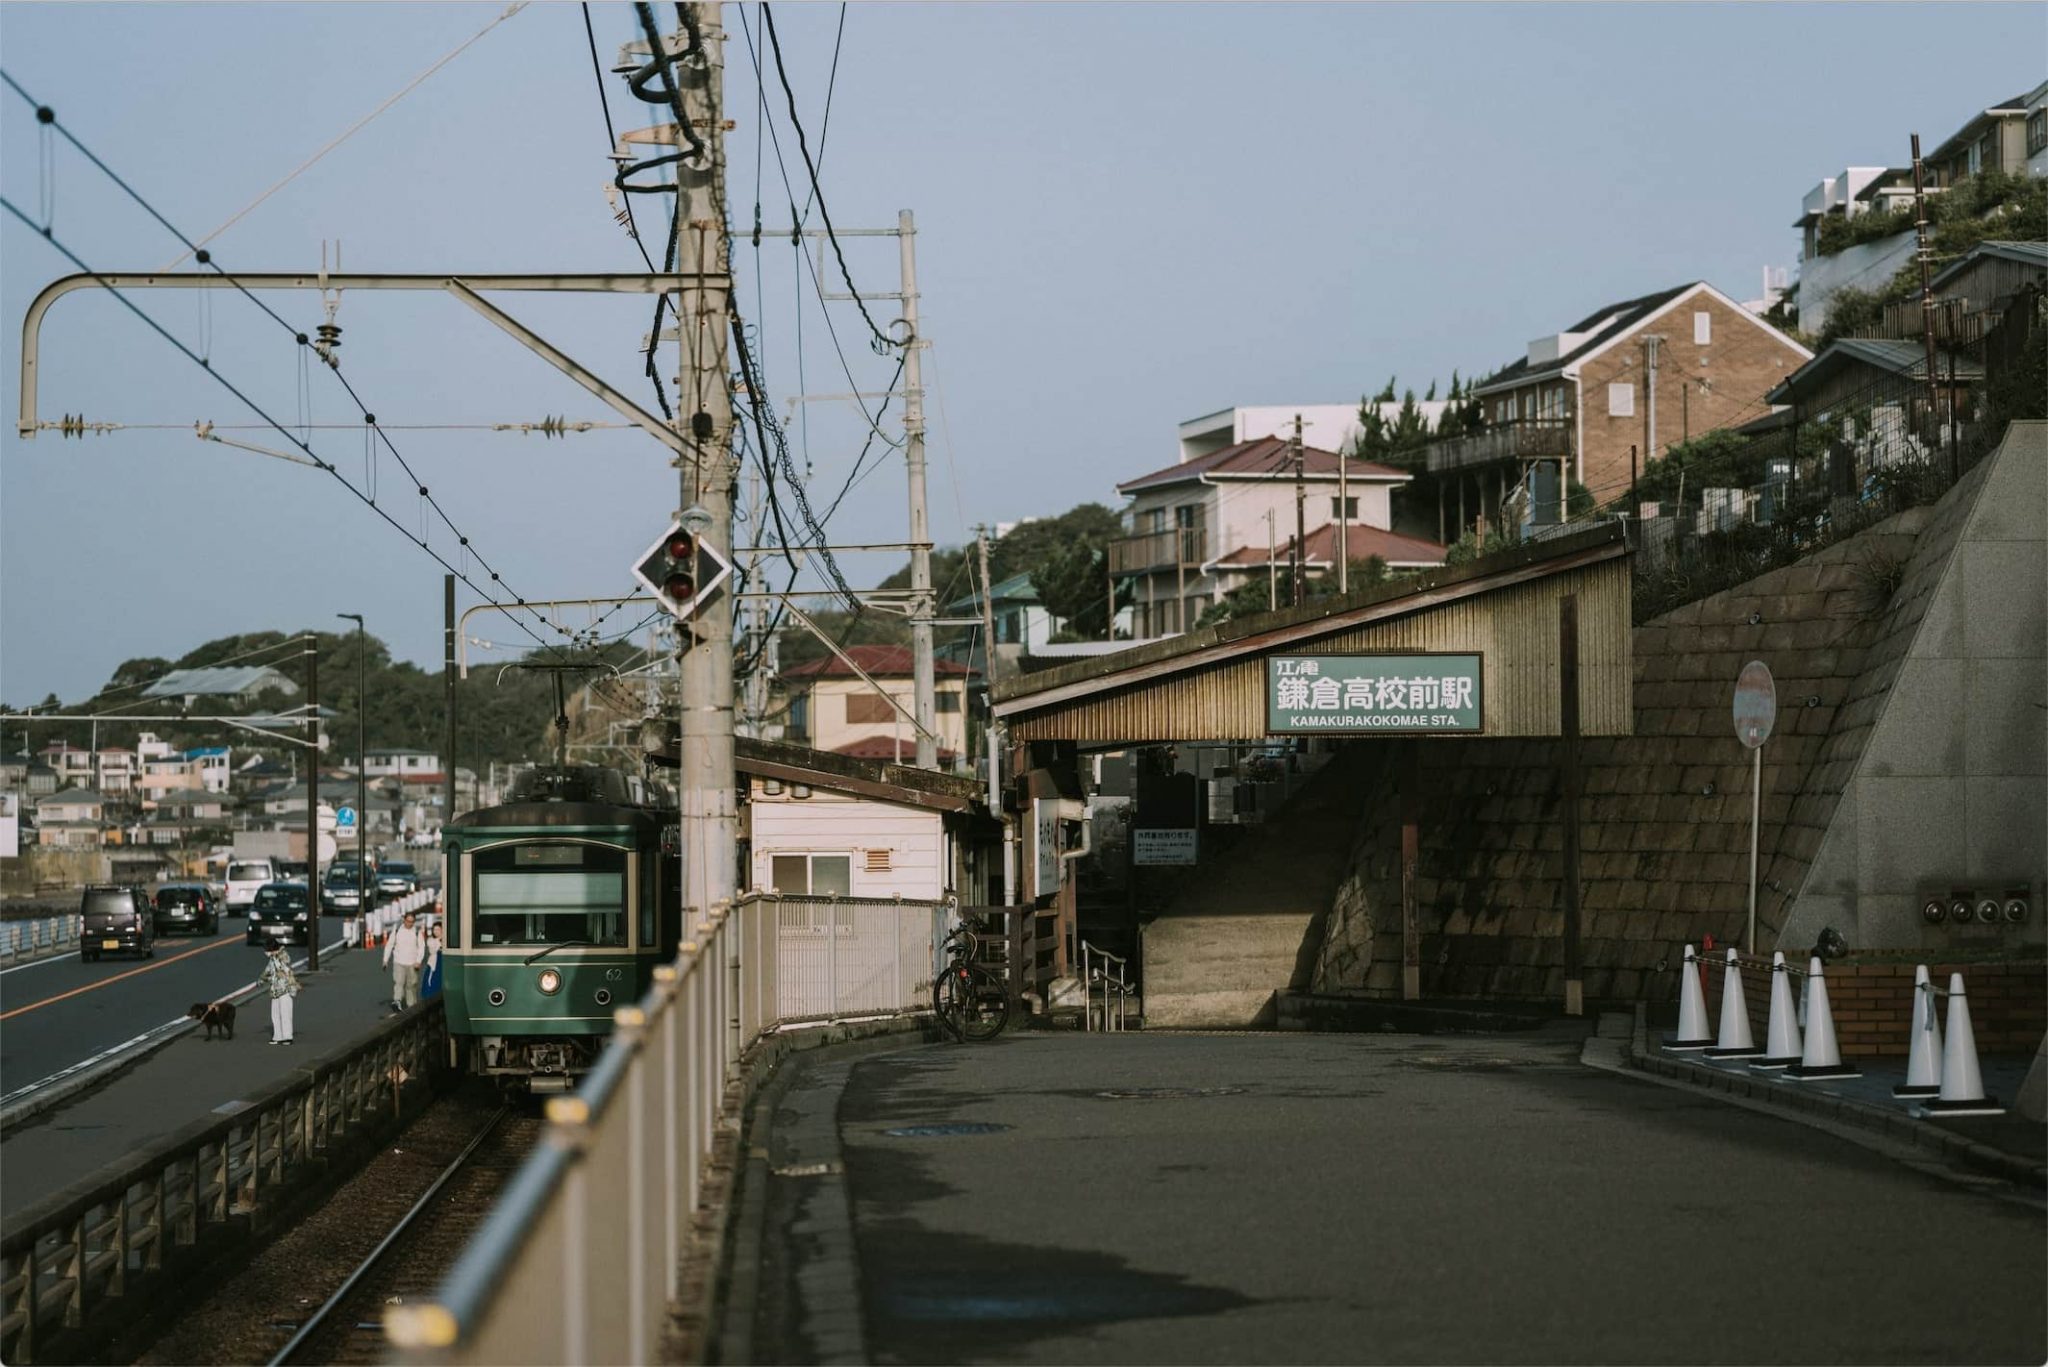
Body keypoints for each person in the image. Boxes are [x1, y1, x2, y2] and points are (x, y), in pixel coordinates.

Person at [383, 909, 427, 1013]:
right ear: (404, 920)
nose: (409, 924)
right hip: (399, 962)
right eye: (408, 921)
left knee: (411, 986)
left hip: (412, 963)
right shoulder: (397, 930)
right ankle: (397, 1001)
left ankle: (411, 1006)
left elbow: (422, 947)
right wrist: (385, 960)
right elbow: (389, 945)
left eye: (412, 922)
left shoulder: (417, 932)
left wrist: (418, 961)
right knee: (399, 983)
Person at [260, 943, 300, 1045]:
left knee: (285, 1013)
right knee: (275, 1014)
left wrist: (277, 957)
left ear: (273, 949)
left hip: (285, 989)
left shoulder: (283, 956)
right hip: (275, 990)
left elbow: (286, 969)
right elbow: (268, 970)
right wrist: (262, 978)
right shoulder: (272, 959)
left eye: (267, 950)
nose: (266, 953)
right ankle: (277, 1036)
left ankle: (287, 1037)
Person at [419, 922, 445, 1000]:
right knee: (430, 981)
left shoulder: (446, 939)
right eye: (434, 929)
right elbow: (433, 950)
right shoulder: (430, 940)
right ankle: (428, 997)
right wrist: (440, 940)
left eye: (438, 929)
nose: (436, 931)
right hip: (434, 964)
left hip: (443, 963)